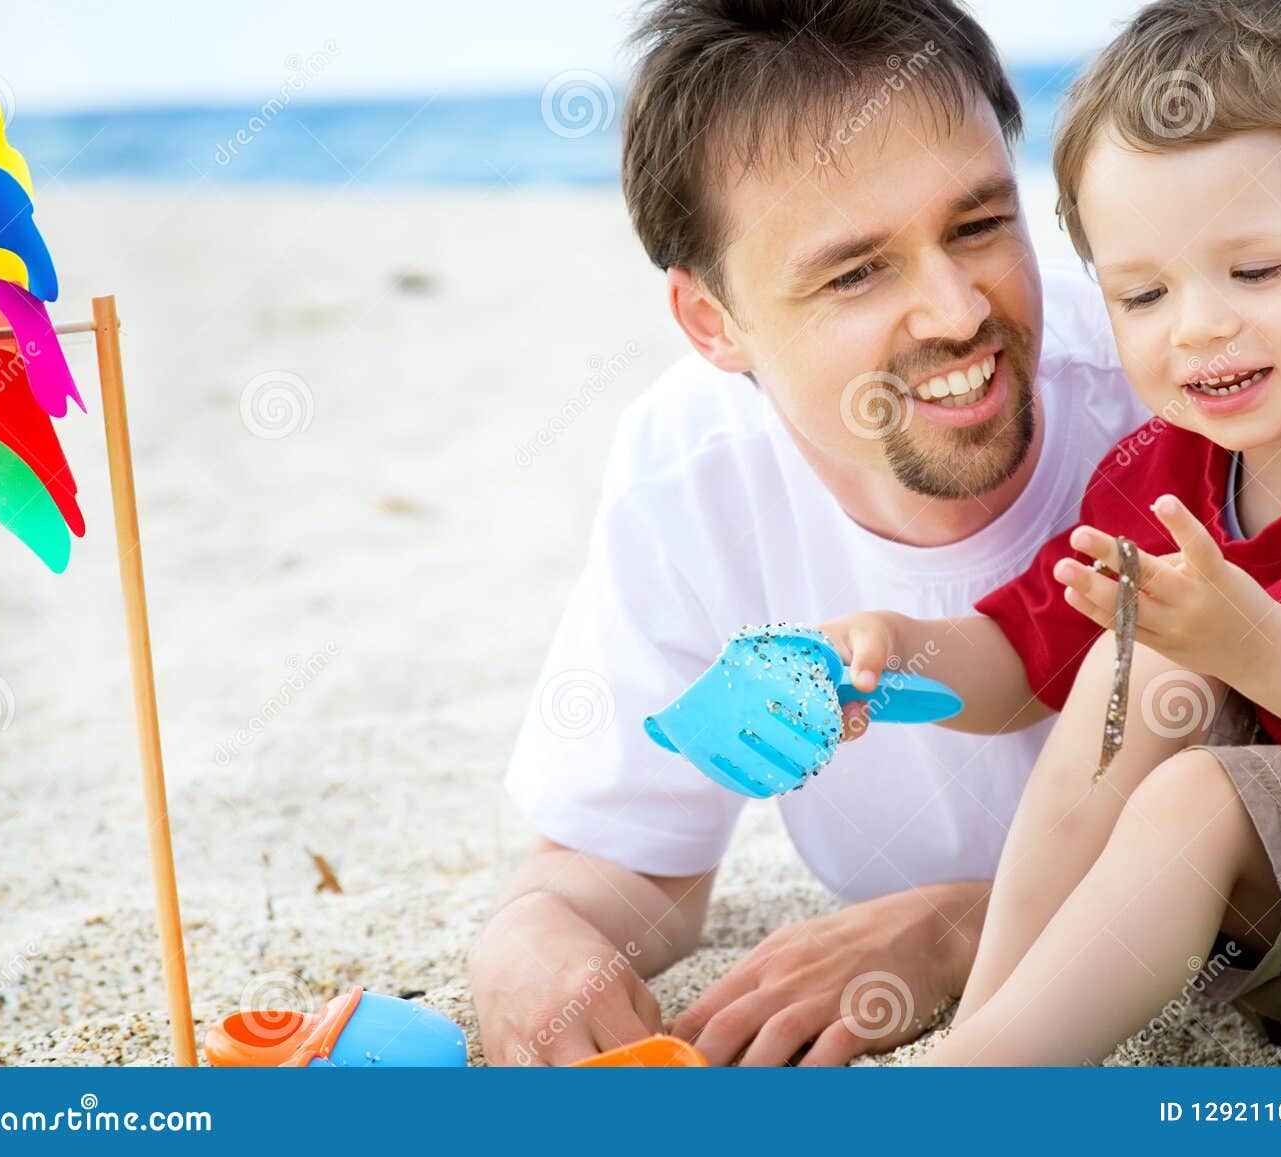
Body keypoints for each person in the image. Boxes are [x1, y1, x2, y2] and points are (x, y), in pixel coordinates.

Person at [822, 0, 1281, 1065]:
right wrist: (887, 652)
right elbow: (1025, 658)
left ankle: (982, 1080)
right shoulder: (1161, 470)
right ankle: (990, 1031)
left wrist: (1252, 644)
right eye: (1144, 292)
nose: (1199, 325)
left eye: (1254, 272)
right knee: (1140, 659)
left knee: (1199, 772)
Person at [469, 0, 1146, 1066]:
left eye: (977, 224)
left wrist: (965, 925)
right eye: (855, 272)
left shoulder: (1171, 387)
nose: (956, 310)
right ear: (712, 322)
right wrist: (529, 938)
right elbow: (627, 863)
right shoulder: (692, 467)